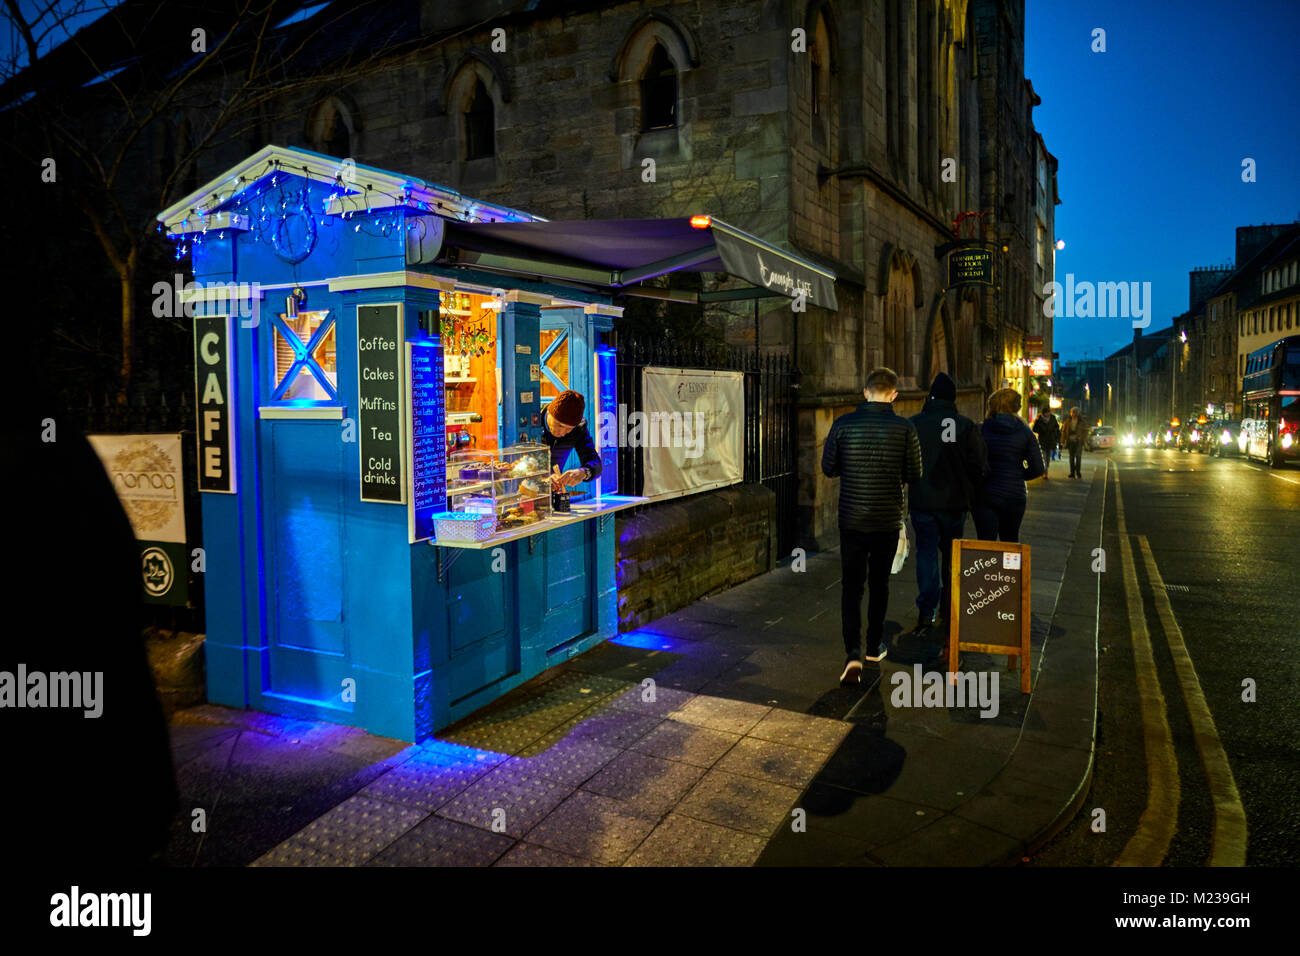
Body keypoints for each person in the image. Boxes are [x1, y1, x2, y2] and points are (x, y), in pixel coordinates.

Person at [821, 367, 923, 686]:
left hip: (852, 518)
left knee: (851, 587)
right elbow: (915, 473)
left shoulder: (843, 424)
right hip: (886, 519)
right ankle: (873, 646)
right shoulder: (904, 429)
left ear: (865, 392)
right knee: (880, 584)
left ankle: (851, 652)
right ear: (893, 394)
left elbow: (829, 468)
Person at [908, 372, 988, 635]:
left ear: (930, 396)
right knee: (952, 559)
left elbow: (906, 463)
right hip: (954, 504)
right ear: (953, 398)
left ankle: (926, 610)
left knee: (927, 555)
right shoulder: (965, 425)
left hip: (923, 502)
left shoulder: (915, 424)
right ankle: (949, 608)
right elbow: (978, 466)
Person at [973, 388, 1045, 542]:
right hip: (1015, 495)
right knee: (1010, 542)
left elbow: (972, 462)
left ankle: (988, 566)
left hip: (986, 494)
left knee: (985, 544)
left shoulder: (981, 429)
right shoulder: (1025, 432)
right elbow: (1038, 467)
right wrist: (1020, 474)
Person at [540, 389, 602, 491]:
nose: (562, 432)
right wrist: (542, 479)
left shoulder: (578, 429)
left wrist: (584, 472)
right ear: (550, 413)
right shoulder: (533, 420)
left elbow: (595, 463)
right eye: (559, 425)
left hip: (552, 492)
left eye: (569, 429)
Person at [1060, 406, 1090, 478]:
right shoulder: (1067, 421)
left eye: (1075, 412)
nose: (1073, 414)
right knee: (1071, 457)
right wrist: (1062, 441)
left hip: (1078, 441)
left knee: (1078, 457)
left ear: (1078, 413)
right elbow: (1063, 431)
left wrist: (1082, 438)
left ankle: (1078, 472)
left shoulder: (1082, 422)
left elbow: (1086, 431)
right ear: (1070, 413)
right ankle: (1072, 472)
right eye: (1072, 412)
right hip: (1070, 441)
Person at [1032, 406, 1060, 480]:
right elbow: (1035, 429)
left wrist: (1056, 436)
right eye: (1047, 413)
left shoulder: (1053, 419)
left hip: (1050, 440)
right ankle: (1045, 472)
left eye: (1049, 412)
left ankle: (1045, 469)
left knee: (1048, 458)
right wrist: (1039, 428)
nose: (1048, 414)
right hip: (1043, 440)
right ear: (1044, 413)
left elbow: (1057, 429)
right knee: (1043, 457)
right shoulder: (1039, 420)